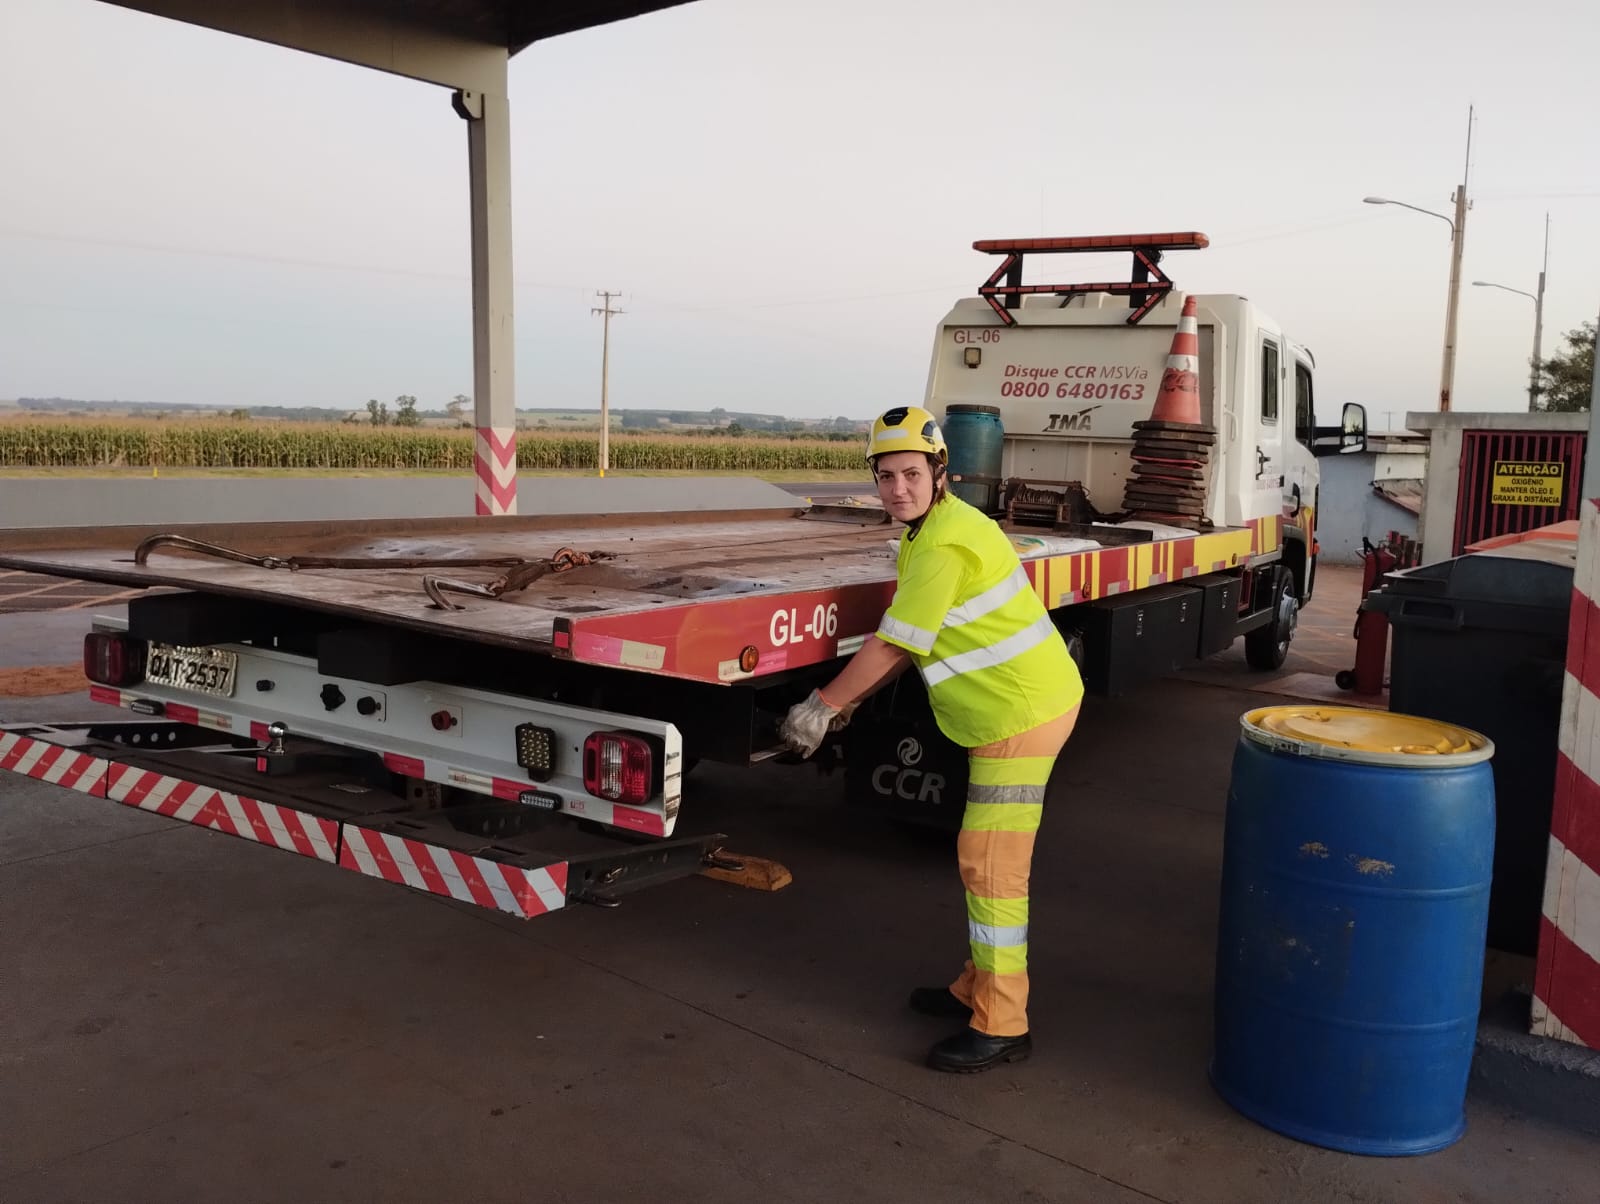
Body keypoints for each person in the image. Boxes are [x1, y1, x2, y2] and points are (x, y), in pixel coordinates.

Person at [779, 404, 1083, 1073]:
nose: (898, 489)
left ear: (940, 473)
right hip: (1010, 709)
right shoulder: (930, 529)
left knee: (991, 865)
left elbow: (894, 645)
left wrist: (821, 707)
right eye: (886, 476)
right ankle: (976, 987)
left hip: (1020, 715)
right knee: (985, 860)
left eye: (911, 474)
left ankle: (1003, 1023)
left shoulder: (942, 540)